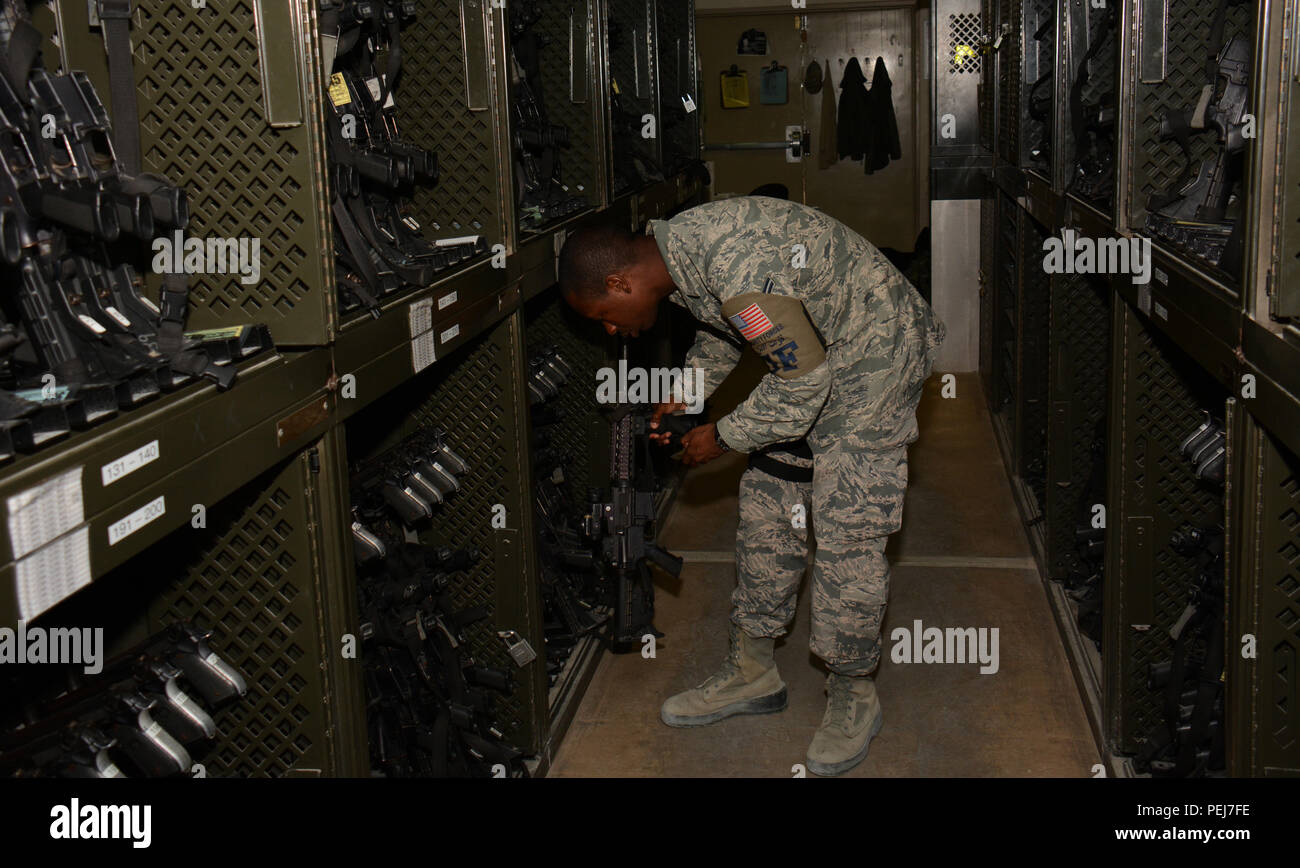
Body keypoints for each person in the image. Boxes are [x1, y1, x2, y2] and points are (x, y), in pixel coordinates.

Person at [557, 196, 945, 776]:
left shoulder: (729, 262)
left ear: (618, 280)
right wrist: (689, 392)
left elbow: (802, 383)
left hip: (875, 355)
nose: (612, 329)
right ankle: (753, 671)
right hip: (812, 356)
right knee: (769, 503)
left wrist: (723, 435)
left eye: (603, 315)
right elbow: (727, 332)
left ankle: (854, 692)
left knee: (848, 528)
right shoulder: (677, 257)